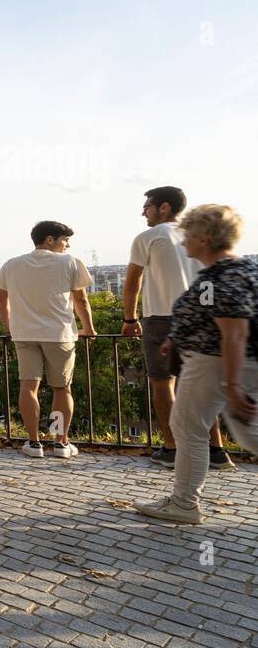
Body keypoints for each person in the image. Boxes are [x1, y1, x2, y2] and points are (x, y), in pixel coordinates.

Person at [133, 205, 258, 524]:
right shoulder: (240, 268)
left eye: (188, 235)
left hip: (212, 364)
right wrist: (177, 337)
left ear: (204, 238)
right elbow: (214, 318)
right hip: (220, 361)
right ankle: (183, 500)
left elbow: (234, 333)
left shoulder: (220, 276)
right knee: (241, 432)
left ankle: (184, 503)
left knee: (190, 427)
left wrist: (231, 385)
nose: (183, 240)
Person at [123, 186, 232, 470]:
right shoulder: (200, 236)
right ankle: (216, 450)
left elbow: (133, 281)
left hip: (161, 318)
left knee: (162, 384)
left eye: (147, 206)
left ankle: (172, 448)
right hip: (203, 319)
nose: (143, 211)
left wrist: (129, 319)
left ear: (164, 207)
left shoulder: (148, 237)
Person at [0, 221, 97, 459]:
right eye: (65, 240)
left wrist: (9, 327)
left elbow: (2, 300)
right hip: (58, 334)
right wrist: (89, 328)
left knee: (29, 387)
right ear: (50, 239)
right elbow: (80, 300)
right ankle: (59, 442)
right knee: (61, 388)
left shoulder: (12, 264)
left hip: (24, 334)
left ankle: (34, 442)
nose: (67, 245)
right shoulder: (70, 262)